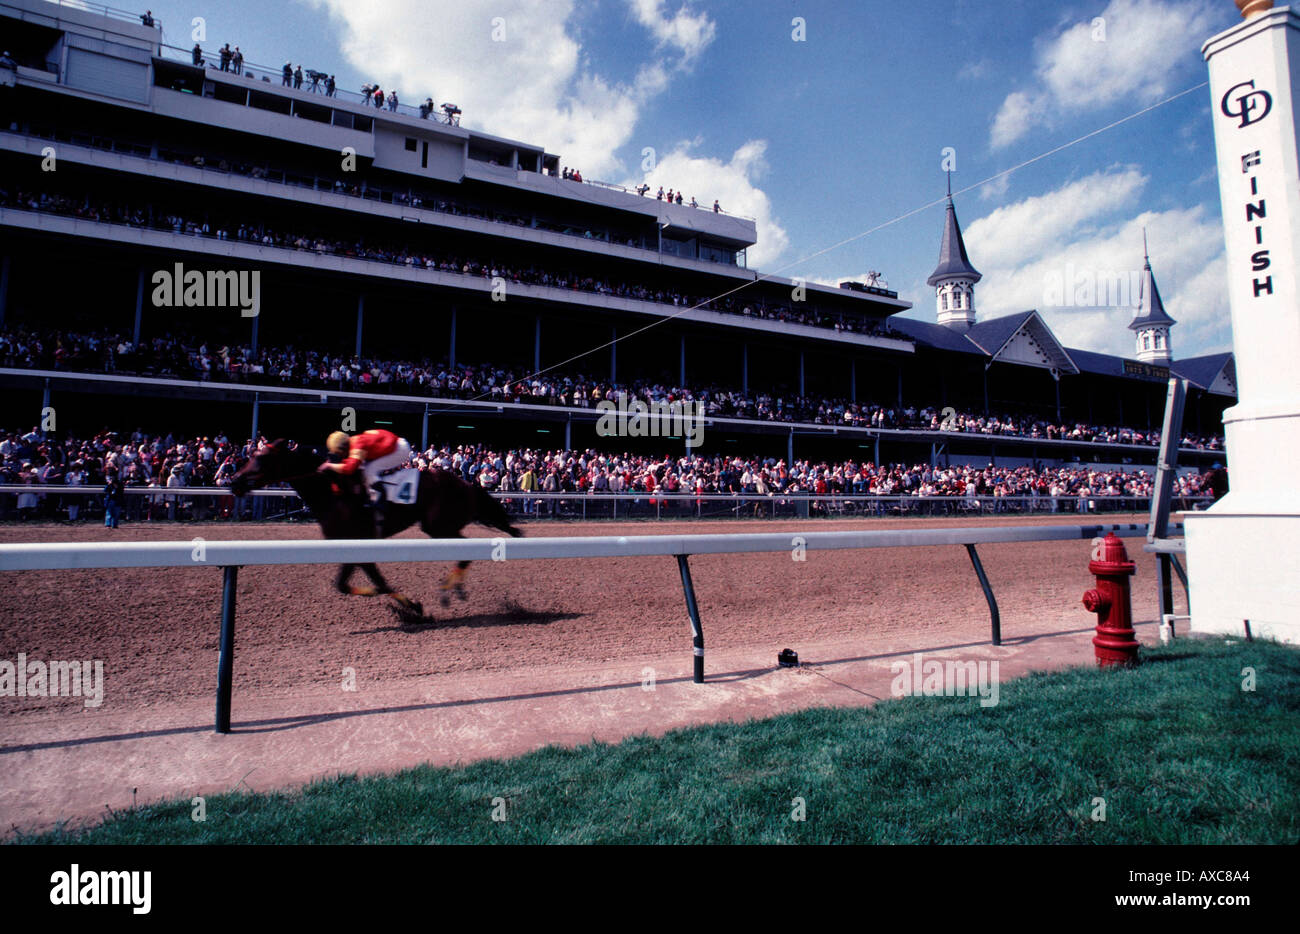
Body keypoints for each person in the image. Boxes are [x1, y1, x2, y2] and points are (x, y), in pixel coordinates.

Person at [320, 428, 412, 507]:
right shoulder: (354, 441)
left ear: (343, 447)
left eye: (338, 453)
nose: (341, 456)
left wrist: (329, 465)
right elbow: (350, 463)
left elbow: (349, 468)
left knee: (370, 470)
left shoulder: (357, 445)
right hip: (396, 445)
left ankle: (379, 499)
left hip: (400, 450)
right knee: (365, 468)